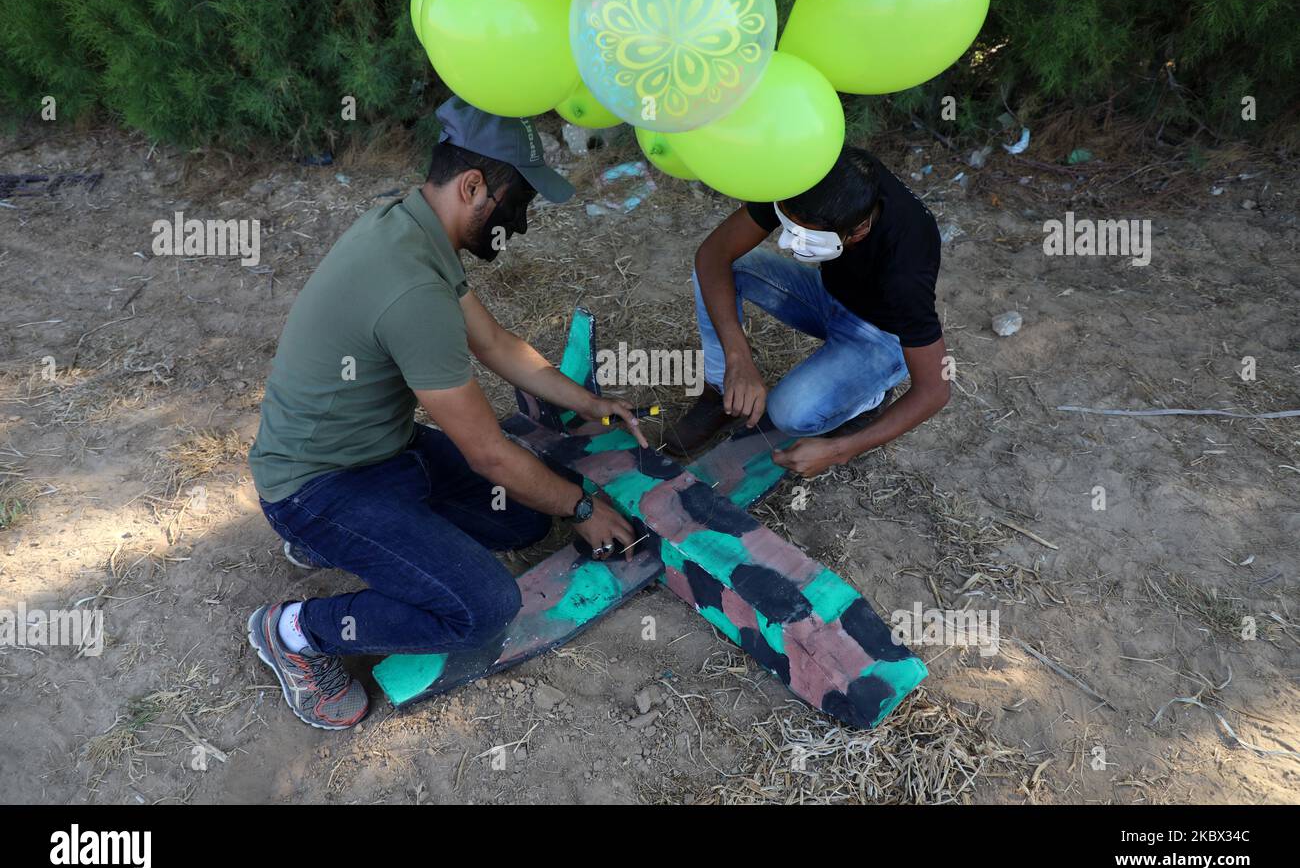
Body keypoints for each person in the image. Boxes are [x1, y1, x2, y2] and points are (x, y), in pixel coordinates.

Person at [246, 97, 646, 730]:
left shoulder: (409, 227)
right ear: (474, 186)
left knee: (519, 524)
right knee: (484, 607)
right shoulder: (412, 290)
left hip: (382, 454)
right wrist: (583, 506)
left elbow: (493, 344)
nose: (519, 221)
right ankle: (294, 633)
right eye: (519, 202)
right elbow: (488, 450)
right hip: (314, 488)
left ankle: (367, 543)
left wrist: (589, 401)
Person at [665, 145, 950, 476]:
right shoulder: (810, 179)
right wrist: (737, 357)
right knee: (723, 272)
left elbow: (934, 391)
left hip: (878, 335)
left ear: (858, 232)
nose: (788, 244)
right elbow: (713, 254)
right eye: (788, 229)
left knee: (789, 413)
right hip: (827, 295)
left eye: (807, 241)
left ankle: (868, 400)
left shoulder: (905, 270)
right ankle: (720, 392)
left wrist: (838, 451)